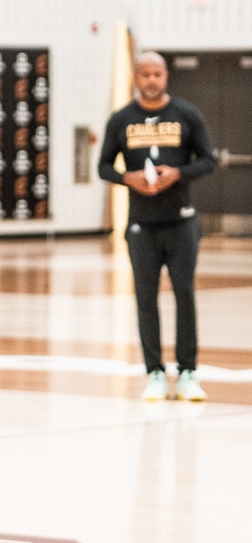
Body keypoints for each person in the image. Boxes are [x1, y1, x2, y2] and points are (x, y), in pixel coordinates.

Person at [99, 51, 216, 401]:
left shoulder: (186, 114)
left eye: (158, 74)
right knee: (145, 300)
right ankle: (153, 372)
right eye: (145, 74)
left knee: (185, 296)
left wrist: (178, 173)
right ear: (135, 77)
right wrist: (127, 178)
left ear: (166, 76)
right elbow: (103, 167)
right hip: (141, 224)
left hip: (181, 222)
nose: (152, 79)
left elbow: (209, 160)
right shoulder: (122, 119)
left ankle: (188, 372)